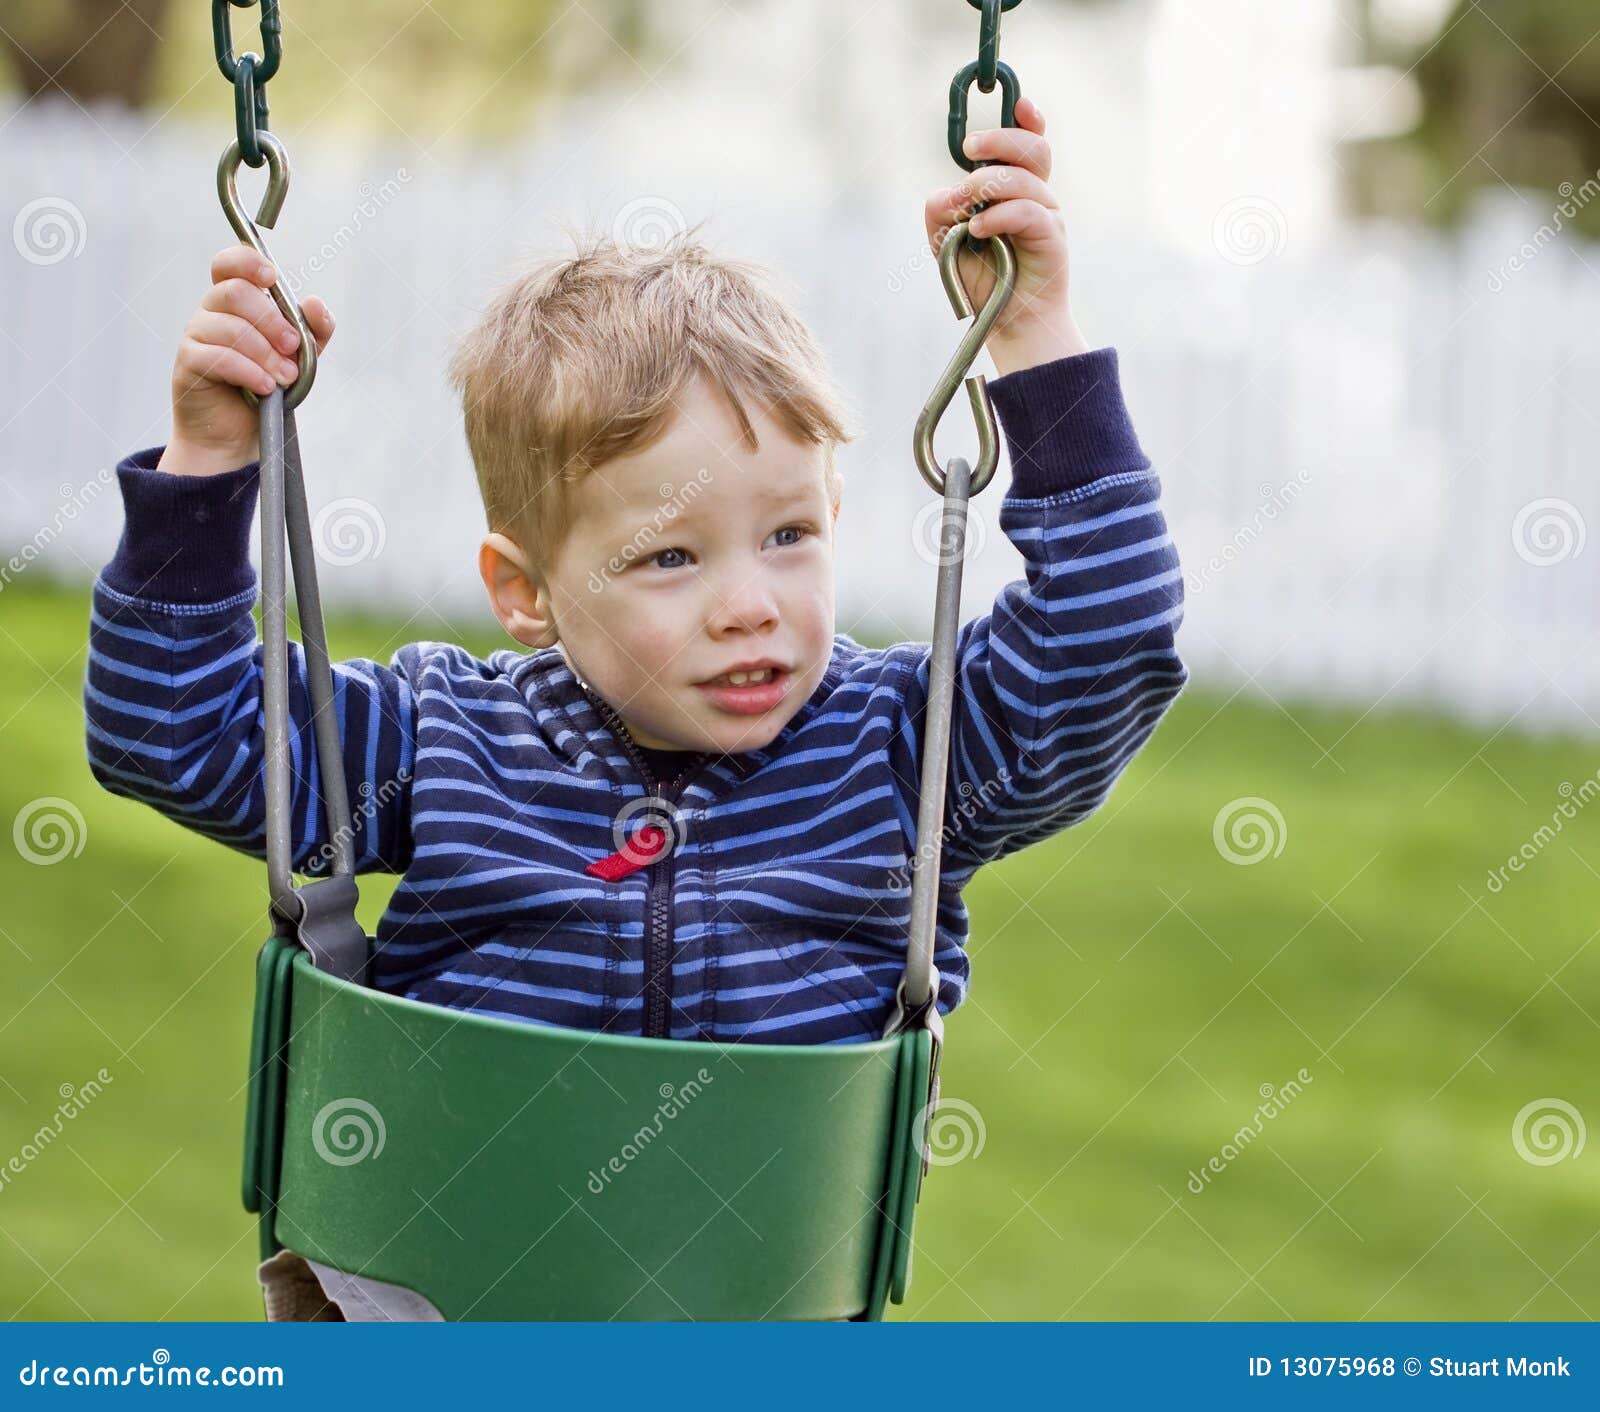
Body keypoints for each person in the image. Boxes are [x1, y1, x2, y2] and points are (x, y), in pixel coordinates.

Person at [84, 98, 1189, 1320]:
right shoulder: (445, 740)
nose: (748, 605)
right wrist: (207, 466)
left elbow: (1108, 641)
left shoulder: (897, 754)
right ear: (526, 590)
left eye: (787, 536)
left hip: (754, 1311)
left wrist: (1032, 337)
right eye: (673, 558)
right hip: (444, 1310)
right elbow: (170, 734)